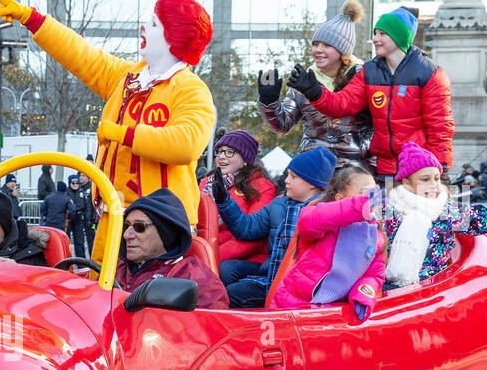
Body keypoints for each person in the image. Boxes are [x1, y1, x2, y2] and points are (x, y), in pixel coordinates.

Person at [0, 0, 215, 259]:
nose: (144, 26)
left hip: (159, 230)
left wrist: (123, 134)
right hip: (114, 217)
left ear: (174, 36)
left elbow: (187, 144)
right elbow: (81, 54)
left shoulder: (191, 89)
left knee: (143, 299)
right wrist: (32, 18)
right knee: (101, 294)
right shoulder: (128, 77)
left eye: (154, 23)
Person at [289, 6, 454, 182]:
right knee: (388, 211)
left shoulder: (430, 73)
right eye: (375, 33)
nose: (375, 39)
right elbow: (342, 104)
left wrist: (439, 169)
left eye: (382, 34)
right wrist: (313, 91)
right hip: (386, 171)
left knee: (418, 210)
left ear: (399, 37)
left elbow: (440, 128)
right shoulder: (369, 71)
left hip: (420, 170)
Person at [377, 142, 487, 289]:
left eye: (437, 178)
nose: (434, 184)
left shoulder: (447, 211)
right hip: (392, 292)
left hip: (432, 294)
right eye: (425, 179)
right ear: (407, 182)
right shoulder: (388, 211)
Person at [211, 146, 338, 308]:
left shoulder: (325, 212)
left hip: (300, 285)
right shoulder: (278, 204)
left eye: (294, 177)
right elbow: (247, 228)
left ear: (312, 184)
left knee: (233, 294)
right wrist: (225, 202)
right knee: (227, 279)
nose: (286, 180)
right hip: (271, 275)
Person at [259, 0, 373, 169]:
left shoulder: (363, 77)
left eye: (326, 45)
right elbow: (282, 124)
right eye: (315, 44)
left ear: (343, 51)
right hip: (314, 167)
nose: (318, 50)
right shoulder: (304, 80)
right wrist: (269, 101)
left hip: (354, 167)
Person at [270, 165, 386, 320]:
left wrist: (363, 295)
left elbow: (374, 275)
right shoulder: (324, 216)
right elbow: (311, 221)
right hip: (294, 306)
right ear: (339, 198)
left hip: (332, 313)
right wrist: (357, 207)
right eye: (364, 193)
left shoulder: (376, 236)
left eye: (374, 194)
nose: (370, 199)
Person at [113, 187, 228, 307]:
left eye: (139, 227)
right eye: (126, 226)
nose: (127, 235)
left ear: (165, 233)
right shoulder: (116, 268)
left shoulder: (194, 278)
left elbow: (211, 322)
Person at [204, 130, 278, 283]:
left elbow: (252, 239)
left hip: (247, 258)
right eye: (219, 152)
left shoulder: (262, 187)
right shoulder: (206, 183)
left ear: (245, 159)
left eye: (230, 152)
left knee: (225, 270)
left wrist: (209, 256)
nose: (222, 156)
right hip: (206, 250)